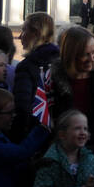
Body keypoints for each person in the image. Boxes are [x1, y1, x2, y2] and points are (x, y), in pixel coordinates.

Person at [48, 25, 94, 167]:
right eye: (85, 54)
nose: (92, 58)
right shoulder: (50, 83)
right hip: (62, 159)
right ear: (71, 54)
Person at [13, 12, 59, 140]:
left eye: (24, 30)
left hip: (35, 135)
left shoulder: (26, 67)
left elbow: (22, 108)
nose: (20, 36)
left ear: (36, 33)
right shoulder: (63, 61)